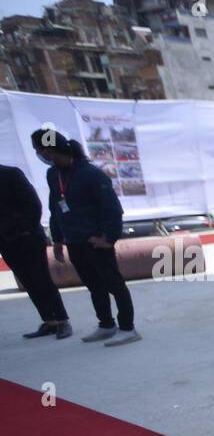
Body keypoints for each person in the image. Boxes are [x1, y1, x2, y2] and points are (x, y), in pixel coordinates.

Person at [29, 128, 139, 346]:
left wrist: (109, 238)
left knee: (114, 284)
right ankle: (106, 324)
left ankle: (128, 327)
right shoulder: (54, 175)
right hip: (74, 241)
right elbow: (55, 208)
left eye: (39, 150)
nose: (39, 156)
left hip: (95, 241)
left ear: (49, 150)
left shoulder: (90, 174)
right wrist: (58, 240)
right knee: (93, 286)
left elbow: (113, 209)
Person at [0, 163, 72, 339]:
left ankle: (62, 320)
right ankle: (48, 320)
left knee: (41, 278)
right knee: (27, 281)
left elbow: (33, 204)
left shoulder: (10, 174)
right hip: (5, 240)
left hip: (28, 237)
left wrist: (24, 229)